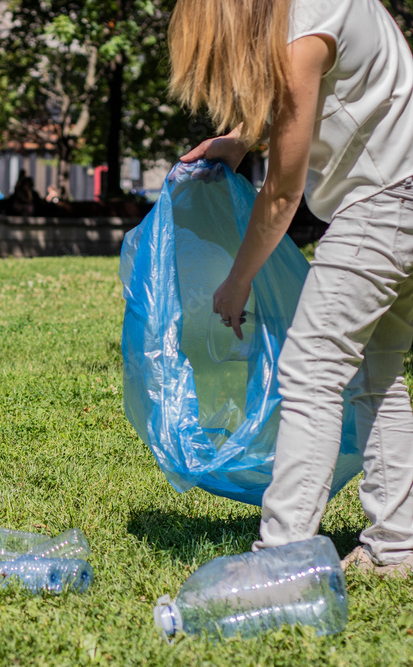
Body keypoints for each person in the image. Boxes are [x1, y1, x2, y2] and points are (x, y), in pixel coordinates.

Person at [169, 0, 413, 574]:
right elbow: (339, 96)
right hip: (405, 194)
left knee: (311, 370)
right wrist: (241, 139)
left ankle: (282, 556)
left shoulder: (301, 33)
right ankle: (398, 546)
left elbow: (282, 193)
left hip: (381, 205)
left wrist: (237, 281)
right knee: (378, 373)